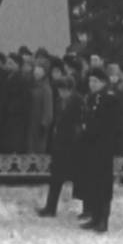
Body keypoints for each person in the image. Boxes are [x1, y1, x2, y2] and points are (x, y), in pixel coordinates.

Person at [77, 67, 121, 232]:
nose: (92, 84)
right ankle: (95, 216)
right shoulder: (91, 97)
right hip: (91, 145)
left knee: (103, 183)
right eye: (90, 81)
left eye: (95, 81)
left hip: (103, 146)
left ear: (103, 82)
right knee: (92, 181)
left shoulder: (109, 98)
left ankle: (103, 219)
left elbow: (110, 124)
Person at [37, 77, 83, 217]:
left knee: (78, 179)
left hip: (72, 145)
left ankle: (82, 208)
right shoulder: (59, 102)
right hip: (59, 145)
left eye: (64, 90)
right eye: (60, 90)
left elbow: (79, 123)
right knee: (55, 178)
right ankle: (50, 208)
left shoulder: (78, 101)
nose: (61, 93)